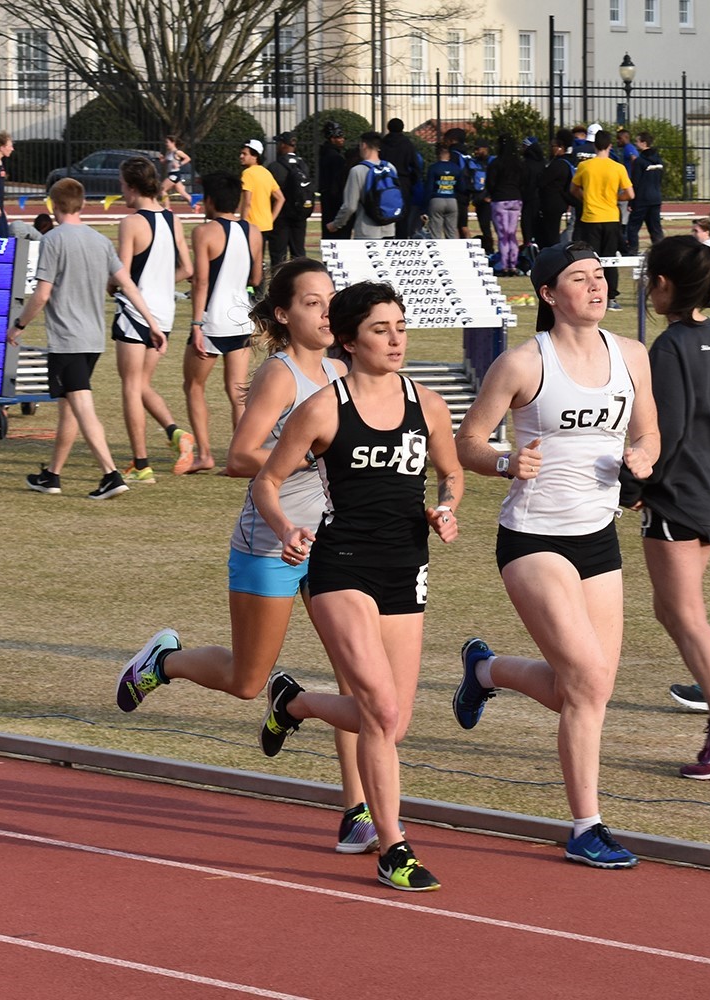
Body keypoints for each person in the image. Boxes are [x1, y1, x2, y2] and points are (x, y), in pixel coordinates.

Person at [116, 257, 371, 851]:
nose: (327, 311)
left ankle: (357, 809)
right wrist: (307, 458)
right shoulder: (280, 375)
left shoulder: (343, 369)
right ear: (284, 314)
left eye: (331, 299)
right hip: (272, 541)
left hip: (334, 544)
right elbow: (240, 456)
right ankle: (164, 662)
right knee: (246, 680)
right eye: (312, 302)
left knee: (358, 679)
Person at [451, 243, 659, 869]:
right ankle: (585, 826)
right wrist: (506, 460)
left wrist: (644, 459)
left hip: (598, 535)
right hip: (533, 538)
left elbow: (648, 431)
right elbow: (468, 442)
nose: (596, 287)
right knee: (588, 681)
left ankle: (486, 672)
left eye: (600, 277)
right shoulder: (521, 364)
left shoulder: (632, 356)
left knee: (588, 691)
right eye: (580, 278)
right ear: (548, 293)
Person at [253, 280, 464, 891]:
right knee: (383, 708)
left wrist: (445, 508)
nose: (396, 339)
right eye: (380, 329)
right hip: (340, 565)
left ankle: (293, 702)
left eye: (400, 327)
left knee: (391, 725)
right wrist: (287, 527)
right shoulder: (323, 407)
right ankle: (393, 846)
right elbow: (266, 481)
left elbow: (451, 474)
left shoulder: (429, 403)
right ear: (348, 339)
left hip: (406, 565)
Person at [624, 236, 710, 778]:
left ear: (662, 285)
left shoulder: (668, 349)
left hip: (678, 495)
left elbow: (666, 432)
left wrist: (635, 488)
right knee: (675, 610)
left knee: (685, 616)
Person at [12, 178, 159, 500]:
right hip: (93, 340)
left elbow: (42, 294)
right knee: (69, 408)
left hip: (67, 340)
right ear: (82, 204)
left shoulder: (52, 240)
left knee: (81, 406)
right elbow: (128, 286)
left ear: (52, 205)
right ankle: (52, 475)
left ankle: (110, 474)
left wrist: (19, 326)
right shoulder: (100, 241)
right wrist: (153, 324)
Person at [110, 156, 195, 482]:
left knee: (131, 387)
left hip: (135, 311)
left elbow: (122, 274)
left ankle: (141, 464)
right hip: (164, 313)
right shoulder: (172, 219)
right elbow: (187, 269)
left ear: (132, 187)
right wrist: (160, 283)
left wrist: (111, 283)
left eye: (122, 186)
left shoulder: (130, 223)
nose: (121, 193)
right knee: (141, 384)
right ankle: (177, 434)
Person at [186, 172, 264, 472]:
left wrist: (195, 324)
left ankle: (205, 454)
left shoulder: (203, 232)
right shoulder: (253, 232)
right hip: (241, 319)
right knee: (237, 393)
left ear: (209, 200)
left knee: (193, 386)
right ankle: (241, 457)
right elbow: (256, 279)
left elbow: (201, 282)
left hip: (212, 322)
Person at [571, 140, 634, 310]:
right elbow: (630, 193)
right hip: (611, 217)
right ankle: (611, 297)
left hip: (591, 217)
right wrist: (615, 198)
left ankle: (589, 295)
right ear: (609, 146)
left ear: (594, 146)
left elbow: (573, 189)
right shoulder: (617, 167)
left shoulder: (585, 166)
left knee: (591, 260)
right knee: (610, 258)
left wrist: (586, 197)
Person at [329, 131, 401, 241]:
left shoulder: (357, 171)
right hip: (389, 228)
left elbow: (350, 206)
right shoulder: (390, 167)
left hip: (366, 230)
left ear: (363, 145)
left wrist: (336, 224)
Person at [238, 139, 284, 275]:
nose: (241, 156)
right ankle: (259, 290)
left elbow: (247, 202)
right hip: (264, 225)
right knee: (259, 259)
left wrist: (242, 222)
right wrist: (270, 219)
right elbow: (281, 198)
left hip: (251, 225)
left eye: (244, 154)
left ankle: (252, 289)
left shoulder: (247, 174)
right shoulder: (266, 173)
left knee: (248, 261)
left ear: (255, 156)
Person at [269, 133, 313, 272]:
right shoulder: (303, 165)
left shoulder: (275, 167)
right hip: (300, 214)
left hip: (281, 216)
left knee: (278, 256)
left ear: (283, 145)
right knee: (299, 254)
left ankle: (277, 285)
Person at [488, 136, 529, 275]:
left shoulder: (495, 163)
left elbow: (490, 183)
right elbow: (524, 183)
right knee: (512, 234)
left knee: (502, 235)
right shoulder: (520, 164)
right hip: (516, 200)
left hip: (500, 199)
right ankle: (513, 264)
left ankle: (504, 265)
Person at [621, 133, 666, 254]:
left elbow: (635, 182)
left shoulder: (639, 161)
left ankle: (633, 249)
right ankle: (661, 251)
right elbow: (661, 178)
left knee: (633, 227)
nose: (635, 144)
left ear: (644, 143)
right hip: (656, 198)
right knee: (655, 228)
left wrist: (631, 201)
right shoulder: (659, 160)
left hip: (642, 199)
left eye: (637, 141)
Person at [379, 118, 422, 239]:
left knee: (385, 213)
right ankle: (401, 240)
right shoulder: (407, 144)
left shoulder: (383, 143)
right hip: (403, 182)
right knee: (403, 216)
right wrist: (412, 182)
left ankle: (386, 241)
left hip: (385, 181)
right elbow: (415, 166)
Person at [424, 128, 468, 240]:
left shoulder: (433, 168)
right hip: (452, 200)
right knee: (452, 231)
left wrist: (425, 205)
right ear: (448, 155)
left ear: (438, 155)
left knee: (436, 231)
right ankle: (453, 254)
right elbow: (462, 187)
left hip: (437, 199)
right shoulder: (456, 167)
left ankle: (437, 253)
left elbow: (429, 187)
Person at [535, 133, 577, 248]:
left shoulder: (558, 164)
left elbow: (542, 182)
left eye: (553, 146)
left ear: (561, 147)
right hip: (560, 203)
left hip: (552, 204)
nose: (551, 149)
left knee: (551, 235)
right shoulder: (568, 163)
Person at [317, 121, 352, 240]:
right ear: (332, 138)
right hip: (335, 201)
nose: (342, 139)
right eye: (339, 137)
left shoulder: (325, 154)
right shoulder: (336, 158)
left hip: (327, 199)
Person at [161, 135, 193, 204]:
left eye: (167, 142)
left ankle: (167, 207)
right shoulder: (168, 152)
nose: (166, 144)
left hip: (174, 174)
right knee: (182, 192)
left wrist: (179, 164)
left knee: (162, 189)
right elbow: (166, 162)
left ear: (173, 143)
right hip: (170, 173)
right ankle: (195, 205)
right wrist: (162, 160)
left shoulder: (177, 152)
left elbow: (188, 158)